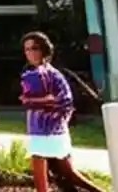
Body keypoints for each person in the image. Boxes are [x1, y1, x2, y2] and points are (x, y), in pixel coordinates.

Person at [21, 32, 103, 192]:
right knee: (66, 173)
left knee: (59, 172)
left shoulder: (52, 74)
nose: (30, 53)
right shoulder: (29, 75)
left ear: (44, 50)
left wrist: (34, 101)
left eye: (34, 48)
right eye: (27, 49)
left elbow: (63, 100)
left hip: (50, 130)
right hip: (38, 128)